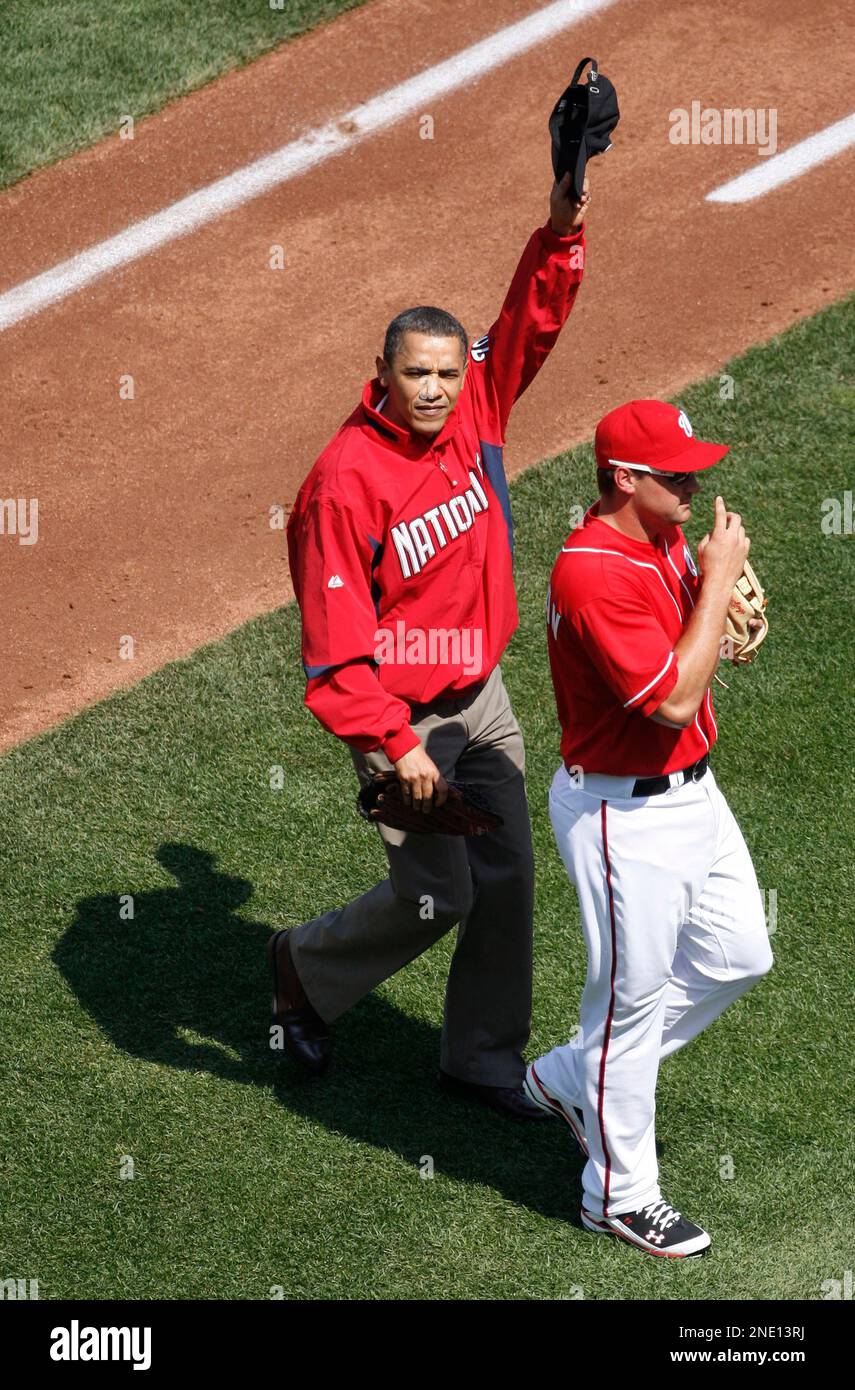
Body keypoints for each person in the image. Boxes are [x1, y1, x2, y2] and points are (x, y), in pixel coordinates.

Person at [274, 172, 591, 1119]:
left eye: (449, 374)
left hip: (480, 696)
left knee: (507, 881)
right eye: (417, 374)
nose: (436, 391)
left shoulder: (476, 411)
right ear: (384, 374)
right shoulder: (343, 483)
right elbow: (333, 655)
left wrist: (564, 219)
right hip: (399, 714)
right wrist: (396, 742)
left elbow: (527, 316)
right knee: (437, 895)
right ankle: (301, 963)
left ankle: (480, 1063)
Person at [524, 399, 774, 1254]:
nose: (693, 484)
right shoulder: (591, 572)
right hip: (619, 815)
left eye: (693, 468)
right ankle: (618, 1195)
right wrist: (710, 586)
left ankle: (573, 1075)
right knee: (627, 1009)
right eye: (675, 475)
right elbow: (670, 700)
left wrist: (700, 589)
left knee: (742, 952)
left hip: (689, 799)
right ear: (622, 480)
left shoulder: (660, 536)